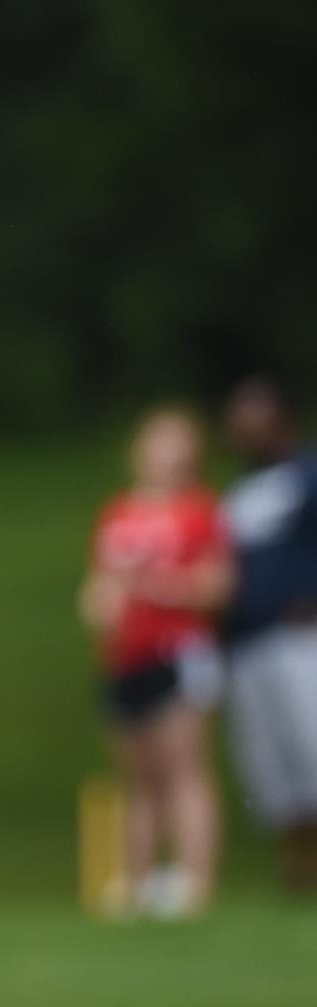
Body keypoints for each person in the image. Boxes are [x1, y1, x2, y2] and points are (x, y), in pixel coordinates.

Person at [79, 407, 233, 915]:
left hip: (179, 654)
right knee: (138, 776)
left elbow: (217, 587)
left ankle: (195, 884)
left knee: (183, 767)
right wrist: (99, 604)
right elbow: (101, 584)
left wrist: (158, 589)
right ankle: (137, 884)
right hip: (125, 657)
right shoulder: (117, 514)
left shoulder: (200, 512)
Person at [220, 376, 317, 894]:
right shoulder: (236, 497)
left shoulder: (308, 478)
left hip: (302, 638)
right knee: (273, 768)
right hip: (248, 644)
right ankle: (300, 872)